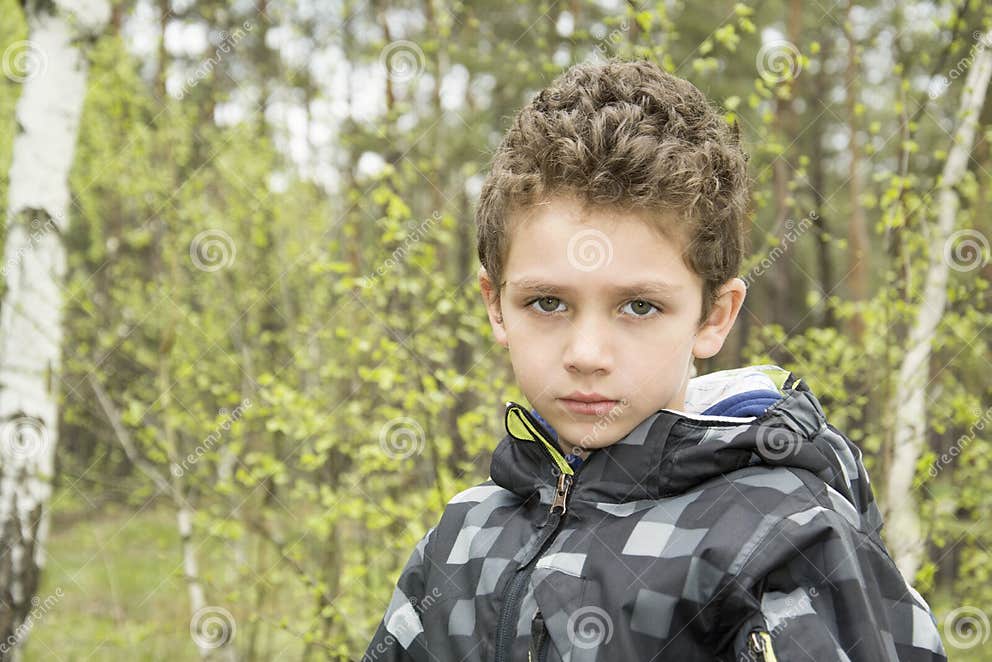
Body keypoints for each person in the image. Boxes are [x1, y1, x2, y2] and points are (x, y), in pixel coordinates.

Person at [362, 58, 946, 661]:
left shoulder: (783, 538)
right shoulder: (461, 540)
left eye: (638, 307)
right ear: (496, 305)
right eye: (547, 302)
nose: (587, 355)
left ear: (714, 315)